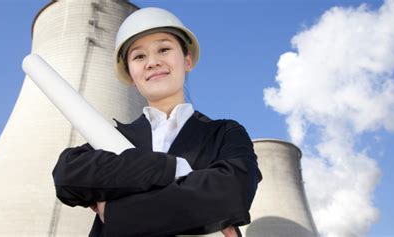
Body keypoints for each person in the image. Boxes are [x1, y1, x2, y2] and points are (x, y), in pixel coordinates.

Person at [52, 7, 261, 237]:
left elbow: (232, 193)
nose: (152, 62)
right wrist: (170, 169)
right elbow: (67, 174)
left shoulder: (224, 133)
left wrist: (117, 212)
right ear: (131, 75)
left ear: (187, 60)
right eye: (139, 56)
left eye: (164, 49)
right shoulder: (113, 138)